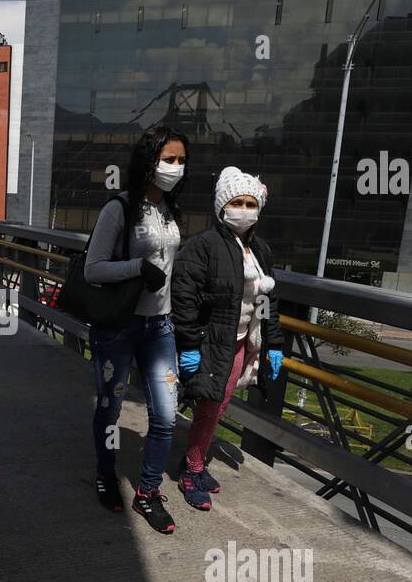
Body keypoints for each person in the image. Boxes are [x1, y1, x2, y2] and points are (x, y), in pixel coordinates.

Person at [84, 126, 188, 534]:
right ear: (147, 160)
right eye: (169, 159)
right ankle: (106, 474)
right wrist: (137, 268)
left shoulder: (171, 211)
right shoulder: (120, 209)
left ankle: (147, 493)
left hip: (160, 326)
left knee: (165, 415)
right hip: (119, 326)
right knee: (110, 408)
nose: (175, 168)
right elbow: (93, 268)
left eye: (181, 161)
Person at [171, 166, 284, 511]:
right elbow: (183, 297)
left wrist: (274, 345)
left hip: (240, 344)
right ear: (222, 206)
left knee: (218, 407)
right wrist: (189, 345)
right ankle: (192, 470)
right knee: (207, 406)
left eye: (251, 203)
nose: (245, 209)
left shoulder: (261, 251)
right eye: (238, 201)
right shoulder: (203, 246)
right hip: (209, 343)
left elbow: (268, 301)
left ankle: (195, 460)